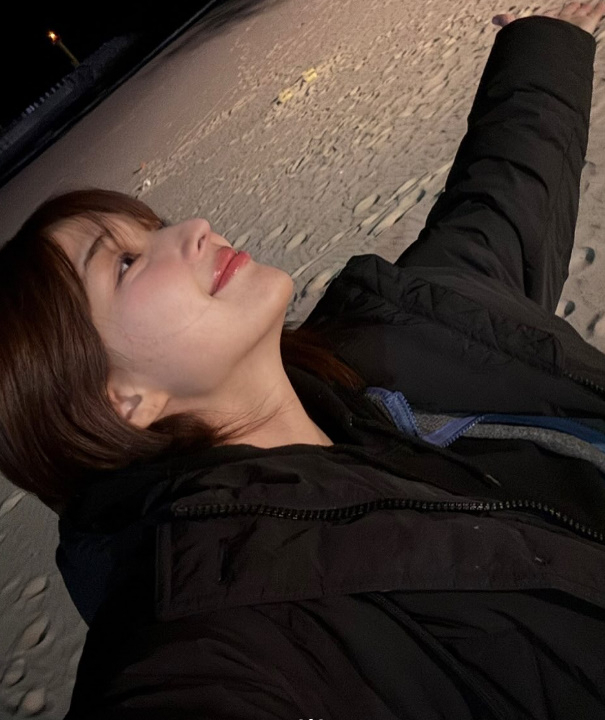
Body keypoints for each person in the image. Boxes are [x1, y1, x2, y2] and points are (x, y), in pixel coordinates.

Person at [1, 2, 605, 718]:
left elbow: (497, 211)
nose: (194, 228)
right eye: (126, 262)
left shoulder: (383, 343)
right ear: (120, 399)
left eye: (153, 224)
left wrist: (547, 41)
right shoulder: (211, 629)